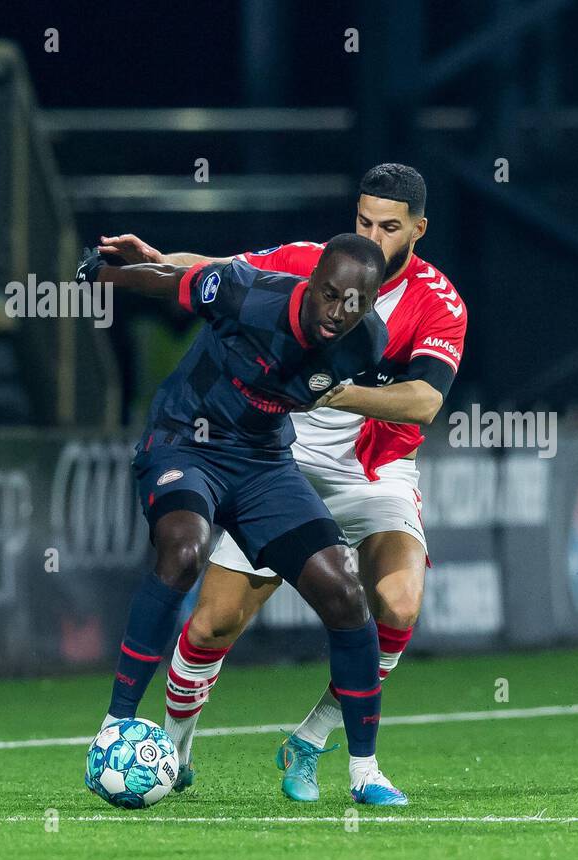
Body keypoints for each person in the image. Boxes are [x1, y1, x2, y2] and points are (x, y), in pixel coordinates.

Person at [95, 164, 465, 802]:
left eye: (390, 227)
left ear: (418, 230)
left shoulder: (438, 302)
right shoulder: (308, 262)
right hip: (281, 457)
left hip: (371, 471)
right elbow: (214, 270)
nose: (373, 237)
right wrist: (154, 262)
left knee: (394, 604)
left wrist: (330, 390)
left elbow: (424, 401)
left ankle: (325, 744)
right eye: (364, 222)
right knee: (212, 625)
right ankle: (173, 751)